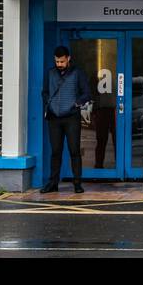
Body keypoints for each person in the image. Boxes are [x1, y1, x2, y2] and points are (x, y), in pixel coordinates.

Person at [42, 45, 93, 194]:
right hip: (54, 118)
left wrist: (76, 103)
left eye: (62, 61)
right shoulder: (50, 73)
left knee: (74, 151)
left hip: (72, 117)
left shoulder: (78, 73)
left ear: (68, 58)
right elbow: (44, 92)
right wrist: (48, 104)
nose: (59, 64)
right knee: (55, 152)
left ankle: (77, 183)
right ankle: (53, 184)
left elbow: (87, 93)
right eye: (57, 61)